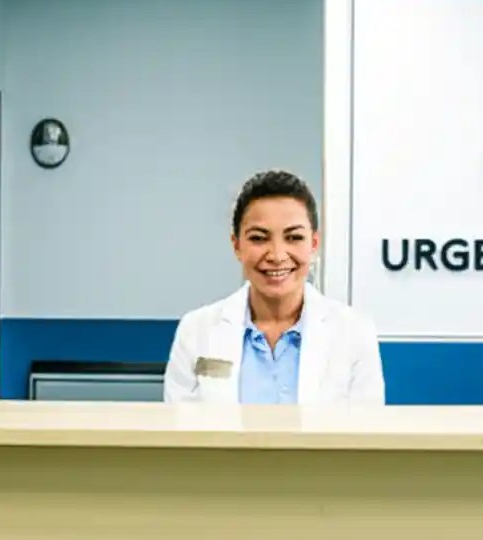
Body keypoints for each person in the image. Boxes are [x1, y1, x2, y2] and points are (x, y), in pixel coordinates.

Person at [164, 170, 385, 405]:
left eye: (294, 238)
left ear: (314, 244)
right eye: (259, 238)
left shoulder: (354, 332)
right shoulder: (197, 330)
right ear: (236, 245)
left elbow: (363, 435)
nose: (277, 256)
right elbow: (181, 433)